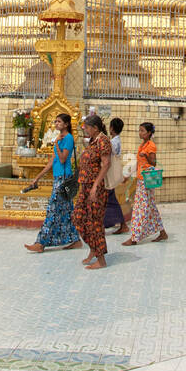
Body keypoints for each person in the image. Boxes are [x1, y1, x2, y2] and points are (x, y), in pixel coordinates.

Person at [23, 113, 81, 254]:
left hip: (64, 178)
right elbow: (52, 161)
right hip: (58, 177)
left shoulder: (68, 138)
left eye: (59, 122)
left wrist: (56, 143)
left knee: (53, 210)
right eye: (55, 121)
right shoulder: (60, 139)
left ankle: (40, 242)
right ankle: (76, 240)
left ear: (66, 124)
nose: (56, 124)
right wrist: (38, 177)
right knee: (67, 211)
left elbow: (62, 159)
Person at [72, 112, 113, 270]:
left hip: (95, 187)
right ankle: (93, 249)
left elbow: (106, 164)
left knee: (94, 222)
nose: (86, 130)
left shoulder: (103, 141)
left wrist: (96, 186)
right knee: (78, 218)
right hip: (85, 186)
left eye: (88, 128)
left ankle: (101, 259)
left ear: (95, 128)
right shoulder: (92, 141)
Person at [123, 121, 168, 246]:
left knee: (139, 208)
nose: (140, 133)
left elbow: (153, 163)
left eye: (142, 131)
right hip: (141, 179)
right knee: (151, 207)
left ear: (149, 133)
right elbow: (138, 163)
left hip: (147, 180)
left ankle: (135, 237)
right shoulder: (142, 145)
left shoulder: (151, 146)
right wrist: (128, 175)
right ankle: (162, 233)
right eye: (139, 130)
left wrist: (146, 156)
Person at [103, 117, 129, 235]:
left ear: (111, 128)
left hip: (110, 172)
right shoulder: (116, 140)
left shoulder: (113, 142)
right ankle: (113, 223)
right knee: (110, 198)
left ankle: (122, 224)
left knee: (110, 198)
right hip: (111, 172)